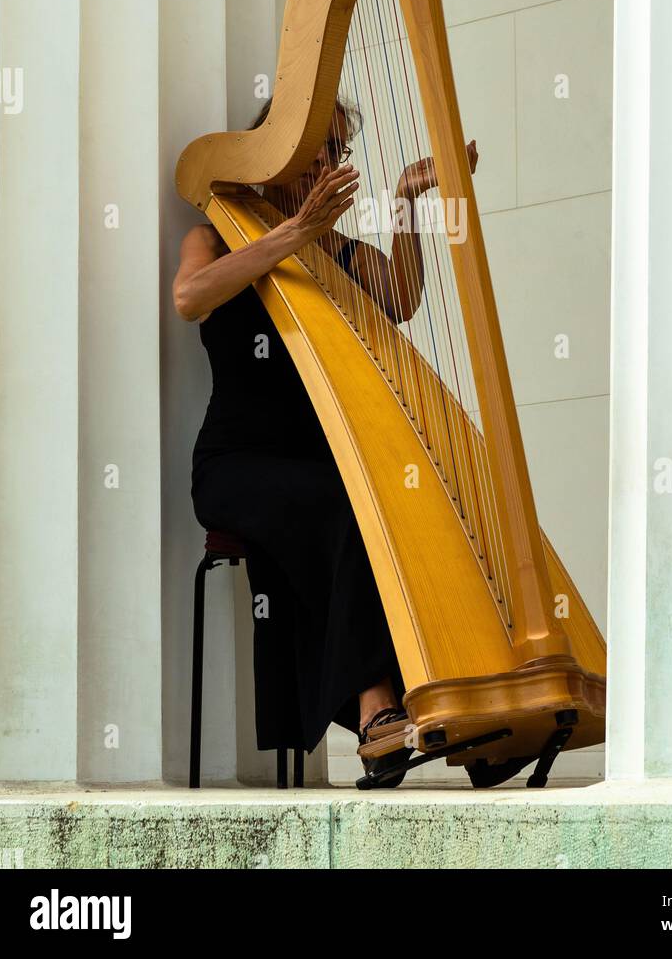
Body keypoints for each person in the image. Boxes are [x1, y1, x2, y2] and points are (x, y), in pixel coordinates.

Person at [173, 93, 477, 779]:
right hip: (236, 466)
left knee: (387, 503)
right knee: (347, 507)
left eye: (335, 150)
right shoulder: (217, 237)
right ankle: (377, 706)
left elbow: (400, 298)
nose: (324, 162)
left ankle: (458, 702)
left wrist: (405, 201)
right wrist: (292, 235)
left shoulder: (339, 248)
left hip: (315, 469)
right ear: (274, 151)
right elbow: (190, 298)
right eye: (315, 145)